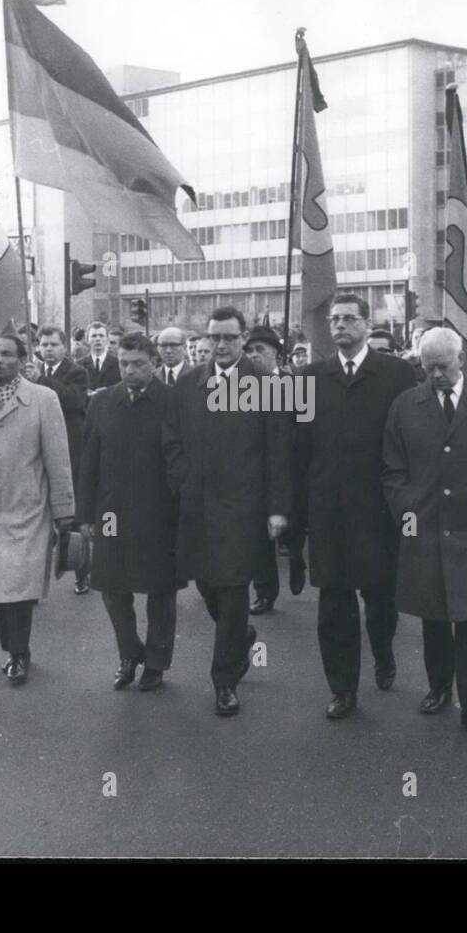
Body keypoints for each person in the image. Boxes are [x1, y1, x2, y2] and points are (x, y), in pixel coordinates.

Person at [382, 327, 467, 737]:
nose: (436, 375)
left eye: (443, 366)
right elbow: (393, 471)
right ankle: (439, 687)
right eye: (428, 368)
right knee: (434, 617)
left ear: (460, 359)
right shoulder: (405, 406)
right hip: (423, 526)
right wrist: (406, 514)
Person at [164, 306, 292, 716]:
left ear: (243, 340)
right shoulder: (188, 383)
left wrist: (277, 509)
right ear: (203, 340)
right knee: (208, 586)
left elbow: (279, 451)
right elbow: (171, 440)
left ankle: (225, 681)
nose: (220, 345)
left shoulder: (265, 385)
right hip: (198, 506)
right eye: (214, 338)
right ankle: (241, 636)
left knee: (234, 588)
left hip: (244, 507)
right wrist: (182, 479)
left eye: (229, 338)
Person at [294, 293, 417, 719]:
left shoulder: (397, 374)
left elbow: (410, 441)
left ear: (367, 325)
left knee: (380, 597)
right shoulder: (310, 376)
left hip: (378, 509)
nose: (340, 326)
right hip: (327, 509)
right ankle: (343, 688)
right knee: (333, 602)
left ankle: (383, 653)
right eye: (334, 320)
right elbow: (298, 446)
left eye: (349, 319)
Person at [0, 335, 74, 684]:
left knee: (18, 586)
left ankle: (19, 653)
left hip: (28, 507)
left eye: (6, 354)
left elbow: (58, 457)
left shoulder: (44, 399)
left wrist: (64, 509)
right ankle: (11, 648)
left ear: (22, 360)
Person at [78, 333, 180, 691]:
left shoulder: (172, 400)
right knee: (110, 585)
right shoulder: (103, 402)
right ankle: (129, 653)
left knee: (160, 591)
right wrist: (86, 515)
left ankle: (156, 662)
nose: (130, 370)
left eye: (138, 363)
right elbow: (88, 460)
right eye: (124, 363)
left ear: (153, 362)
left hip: (159, 511)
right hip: (111, 511)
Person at [243, 324, 305, 615]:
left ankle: (296, 557)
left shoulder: (296, 386)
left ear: (277, 356)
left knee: (292, 527)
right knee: (259, 534)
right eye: (250, 350)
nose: (254, 356)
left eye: (260, 350)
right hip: (259, 470)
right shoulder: (243, 389)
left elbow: (308, 429)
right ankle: (265, 592)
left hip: (294, 468)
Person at [35, 326, 92, 593]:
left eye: (53, 345)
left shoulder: (77, 372)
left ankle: (83, 572)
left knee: (74, 517)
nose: (48, 349)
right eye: (44, 345)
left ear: (64, 347)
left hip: (70, 450)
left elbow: (72, 400)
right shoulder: (32, 373)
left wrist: (41, 381)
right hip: (40, 449)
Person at [81, 322, 120, 393]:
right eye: (94, 336)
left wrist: (107, 391)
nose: (98, 339)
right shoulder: (79, 365)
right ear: (87, 340)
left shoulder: (118, 363)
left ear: (107, 339)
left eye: (101, 336)